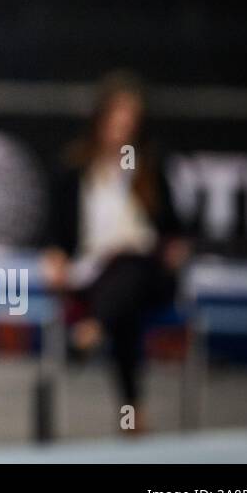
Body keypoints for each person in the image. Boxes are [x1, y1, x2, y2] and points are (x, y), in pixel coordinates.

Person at [40, 70, 193, 434]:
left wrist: (176, 250)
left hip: (146, 273)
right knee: (121, 302)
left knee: (130, 267)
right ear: (100, 120)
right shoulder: (75, 169)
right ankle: (132, 411)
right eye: (117, 119)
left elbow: (174, 230)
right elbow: (58, 236)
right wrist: (55, 259)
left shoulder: (150, 166)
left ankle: (91, 331)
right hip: (95, 276)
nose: (123, 128)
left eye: (131, 121)